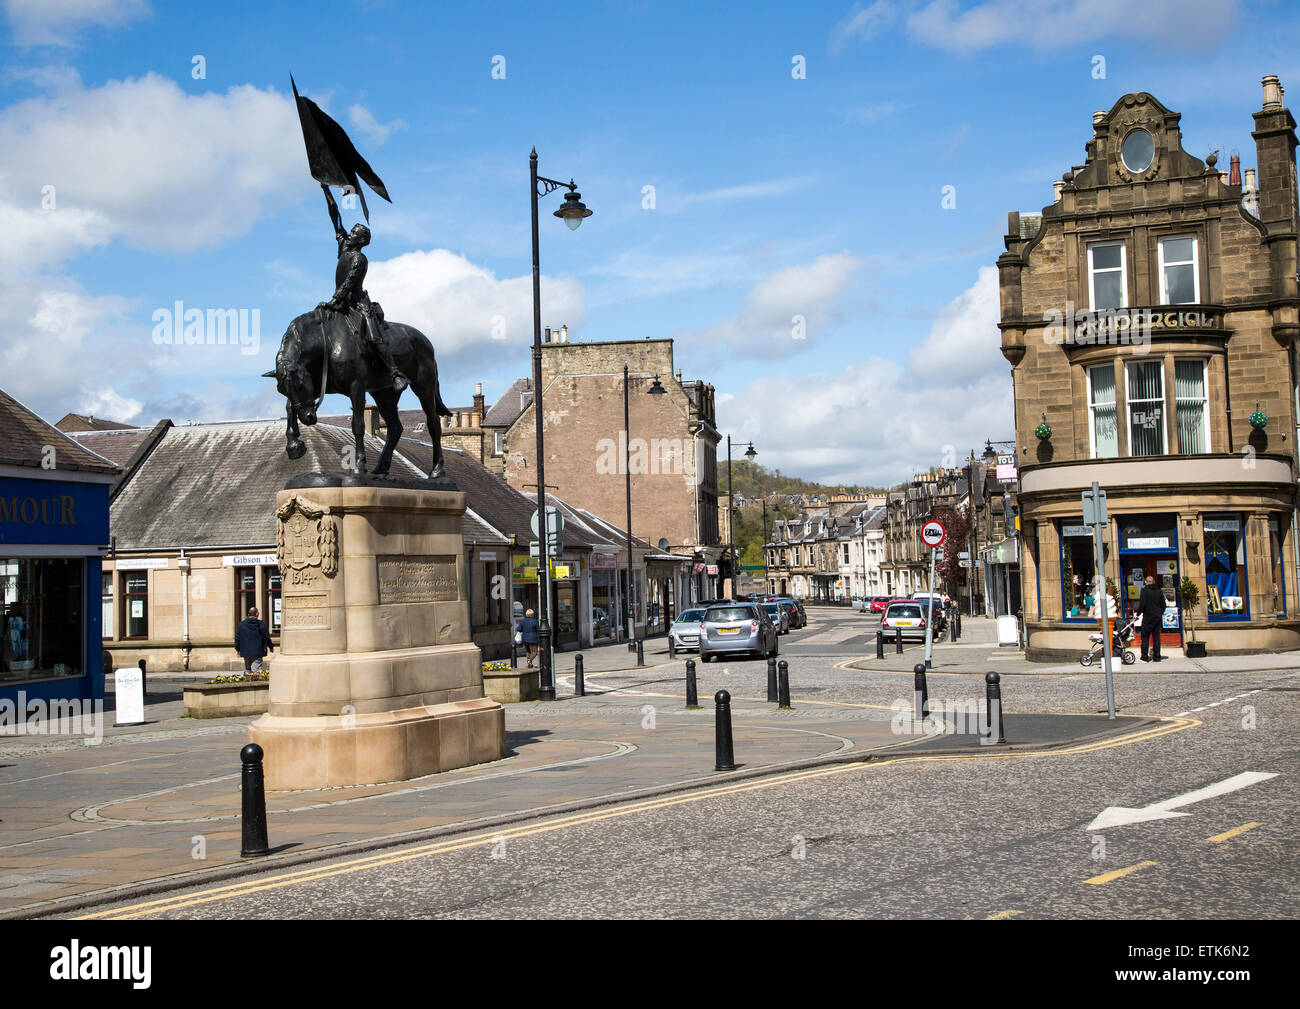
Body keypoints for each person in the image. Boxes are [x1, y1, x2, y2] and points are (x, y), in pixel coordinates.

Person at [320, 220, 409, 392]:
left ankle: (395, 373)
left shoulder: (360, 259)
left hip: (358, 304)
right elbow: (336, 221)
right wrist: (328, 194)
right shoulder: (345, 249)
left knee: (374, 336)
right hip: (341, 302)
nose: (350, 235)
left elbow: (349, 283)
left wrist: (334, 301)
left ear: (361, 241)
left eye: (354, 234)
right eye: (351, 232)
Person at [1135, 575, 1167, 662]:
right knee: (1156, 637)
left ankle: (1144, 657)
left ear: (1146, 582)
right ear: (1153, 582)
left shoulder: (1144, 591)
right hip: (1157, 618)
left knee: (1145, 637)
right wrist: (1159, 614)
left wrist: (1137, 614)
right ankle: (1157, 657)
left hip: (1147, 617)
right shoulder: (1159, 591)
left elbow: (1142, 604)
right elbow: (1163, 605)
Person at [235, 607, 274, 673]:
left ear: (248, 614)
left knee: (248, 670)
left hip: (245, 651)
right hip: (257, 651)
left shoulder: (242, 624)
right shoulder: (261, 624)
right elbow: (266, 637)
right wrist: (271, 646)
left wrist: (238, 649)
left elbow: (238, 638)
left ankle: (247, 682)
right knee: (256, 671)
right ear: (257, 614)